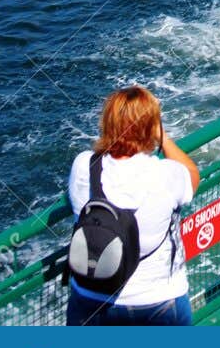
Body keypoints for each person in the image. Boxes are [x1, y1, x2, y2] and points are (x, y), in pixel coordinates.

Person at [66, 86, 199, 325]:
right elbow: (192, 175)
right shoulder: (167, 173)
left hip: (90, 298)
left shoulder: (83, 166)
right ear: (151, 128)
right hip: (157, 300)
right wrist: (163, 137)